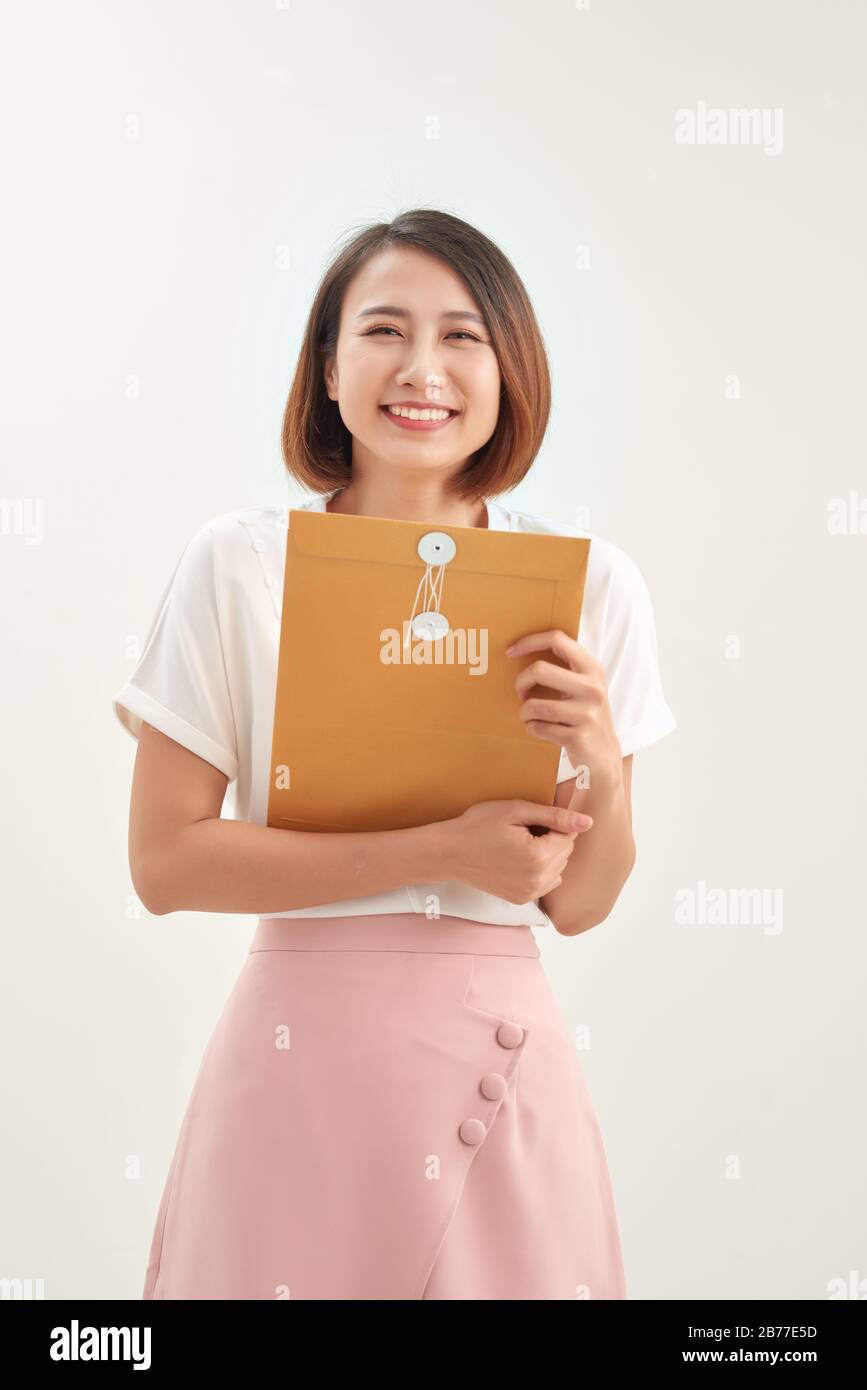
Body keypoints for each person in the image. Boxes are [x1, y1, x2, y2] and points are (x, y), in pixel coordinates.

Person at [112, 208, 677, 1300]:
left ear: (511, 369)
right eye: (384, 329)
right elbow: (165, 862)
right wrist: (444, 849)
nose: (423, 369)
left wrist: (604, 767)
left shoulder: (592, 584)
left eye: (464, 336)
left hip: (501, 1068)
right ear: (328, 367)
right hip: (293, 1071)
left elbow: (581, 905)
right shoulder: (238, 566)